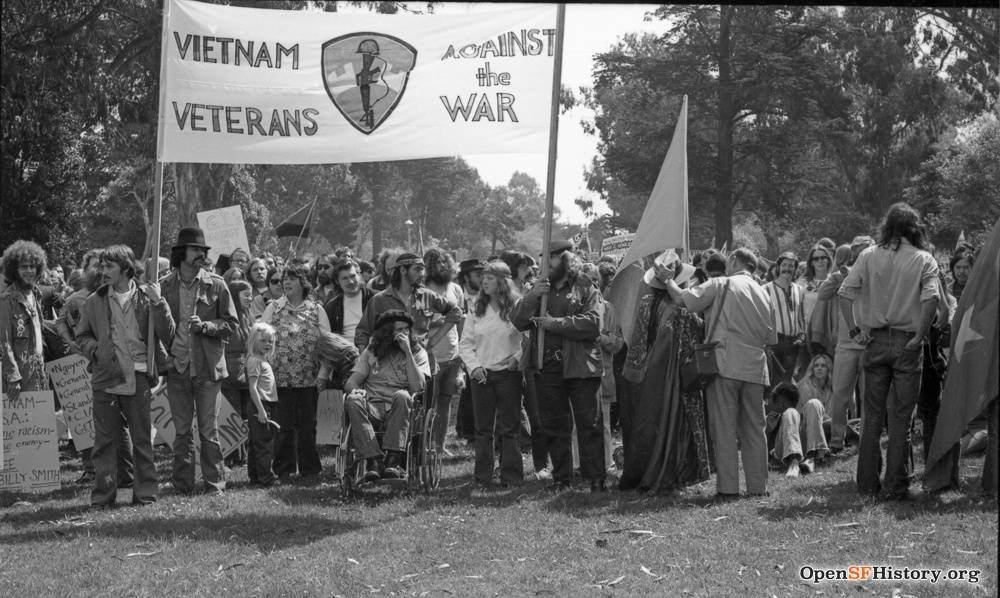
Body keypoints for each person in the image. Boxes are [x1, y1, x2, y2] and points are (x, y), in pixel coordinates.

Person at [839, 202, 940, 500]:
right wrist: (920, 335)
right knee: (901, 419)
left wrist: (856, 330)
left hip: (874, 341)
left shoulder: (869, 255)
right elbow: (932, 299)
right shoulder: (925, 259)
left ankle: (867, 485)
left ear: (888, 226)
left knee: (871, 418)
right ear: (915, 228)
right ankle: (896, 486)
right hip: (908, 342)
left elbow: (845, 293)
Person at [661, 247, 777, 498]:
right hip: (756, 365)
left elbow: (684, 300)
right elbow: (771, 336)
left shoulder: (721, 283)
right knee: (755, 429)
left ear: (733, 260)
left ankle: (728, 488)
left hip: (725, 363)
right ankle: (758, 487)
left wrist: (667, 279)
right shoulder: (765, 292)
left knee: (723, 428)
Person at [76, 245, 173, 507]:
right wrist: (96, 350)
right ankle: (103, 497)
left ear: (126, 268)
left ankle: (145, 495)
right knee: (105, 442)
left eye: (109, 266)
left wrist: (159, 302)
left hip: (139, 377)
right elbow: (81, 336)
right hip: (105, 378)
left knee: (142, 439)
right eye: (102, 266)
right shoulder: (94, 301)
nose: (103, 271)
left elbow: (168, 334)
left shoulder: (147, 297)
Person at [511, 241, 606, 492]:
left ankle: (596, 478)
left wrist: (555, 324)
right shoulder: (538, 288)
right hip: (547, 365)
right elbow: (518, 320)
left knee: (590, 423)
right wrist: (533, 296)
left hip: (581, 365)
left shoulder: (585, 285)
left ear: (564, 258)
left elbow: (594, 323)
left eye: (550, 259)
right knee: (554, 425)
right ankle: (562, 478)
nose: (546, 264)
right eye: (543, 259)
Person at [620, 254, 710, 492]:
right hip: (681, 374)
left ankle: (661, 472)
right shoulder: (685, 304)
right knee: (678, 423)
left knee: (655, 423)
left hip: (656, 376)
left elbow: (638, 343)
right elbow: (701, 331)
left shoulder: (650, 302)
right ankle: (675, 474)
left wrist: (636, 373)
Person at [161, 227, 239, 495]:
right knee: (181, 432)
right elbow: (155, 330)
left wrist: (206, 326)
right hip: (177, 367)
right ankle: (182, 485)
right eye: (195, 250)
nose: (201, 255)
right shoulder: (163, 286)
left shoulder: (216, 283)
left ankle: (215, 484)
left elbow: (231, 325)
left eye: (203, 251)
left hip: (207, 368)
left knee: (209, 431)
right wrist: (164, 362)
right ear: (181, 253)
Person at [261, 263, 331, 481]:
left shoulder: (316, 310)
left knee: (307, 426)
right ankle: (284, 468)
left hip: (309, 379)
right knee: (283, 426)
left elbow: (329, 346)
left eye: (292, 278)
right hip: (279, 379)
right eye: (284, 279)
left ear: (304, 282)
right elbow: (261, 340)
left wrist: (323, 374)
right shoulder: (273, 307)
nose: (286, 282)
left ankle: (310, 468)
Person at [459, 262, 524, 487]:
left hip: (509, 374)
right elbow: (465, 343)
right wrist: (474, 367)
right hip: (482, 375)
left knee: (509, 428)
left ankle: (512, 476)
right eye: (483, 277)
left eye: (490, 278)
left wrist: (517, 358)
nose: (484, 282)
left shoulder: (516, 306)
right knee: (483, 429)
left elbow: (528, 337)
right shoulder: (477, 307)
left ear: (502, 282)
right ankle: (483, 477)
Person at [345, 310, 430, 482]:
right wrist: (356, 390)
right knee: (352, 399)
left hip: (403, 410)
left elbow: (418, 387)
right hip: (373, 408)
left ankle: (393, 461)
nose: (404, 333)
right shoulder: (371, 352)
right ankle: (373, 461)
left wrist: (407, 353)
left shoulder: (418, 353)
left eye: (407, 329)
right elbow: (350, 383)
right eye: (399, 329)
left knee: (403, 395)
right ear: (387, 332)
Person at [819, 235, 874, 453]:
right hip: (845, 344)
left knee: (868, 396)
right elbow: (822, 295)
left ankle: (866, 438)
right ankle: (836, 439)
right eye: (858, 249)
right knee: (841, 393)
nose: (862, 253)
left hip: (870, 342)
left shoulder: (877, 273)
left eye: (866, 249)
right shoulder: (841, 274)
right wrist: (837, 279)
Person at [354, 253, 463, 354]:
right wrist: (366, 361)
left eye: (423, 270)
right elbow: (362, 333)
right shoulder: (379, 300)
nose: (422, 274)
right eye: (417, 269)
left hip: (423, 364)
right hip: (391, 368)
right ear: (403, 270)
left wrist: (433, 341)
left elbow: (455, 312)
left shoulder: (428, 295)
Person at [422, 248, 466, 454]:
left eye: (444, 262)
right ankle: (425, 444)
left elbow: (460, 321)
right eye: (436, 263)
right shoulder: (421, 290)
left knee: (446, 400)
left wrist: (461, 351)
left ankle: (440, 446)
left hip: (452, 355)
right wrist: (438, 323)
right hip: (429, 355)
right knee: (426, 403)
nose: (442, 266)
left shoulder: (456, 289)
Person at [1, 240, 49, 401]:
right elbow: (4, 342)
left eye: (32, 266)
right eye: (23, 267)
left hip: (39, 370)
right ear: (14, 270)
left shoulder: (36, 294)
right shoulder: (7, 300)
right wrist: (13, 376)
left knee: (42, 423)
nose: (29, 271)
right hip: (20, 376)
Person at [244, 322, 281, 487]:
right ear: (254, 341)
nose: (267, 344)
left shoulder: (262, 361)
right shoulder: (254, 361)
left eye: (270, 342)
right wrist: (261, 410)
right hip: (260, 405)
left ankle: (256, 476)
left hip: (265, 405)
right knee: (264, 443)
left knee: (257, 442)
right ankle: (266, 478)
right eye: (263, 341)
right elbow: (252, 388)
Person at [221, 279, 253, 468]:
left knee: (245, 415)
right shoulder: (229, 318)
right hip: (231, 374)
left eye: (251, 294)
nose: (250, 298)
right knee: (232, 415)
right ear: (234, 296)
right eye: (246, 295)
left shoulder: (247, 316)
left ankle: (242, 455)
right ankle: (231, 455)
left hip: (247, 373)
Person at [762, 251, 804, 384]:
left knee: (787, 381)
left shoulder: (799, 289)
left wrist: (802, 336)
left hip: (793, 342)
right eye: (784, 265)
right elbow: (762, 317)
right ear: (778, 267)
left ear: (795, 269)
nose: (787, 269)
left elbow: (802, 316)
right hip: (775, 341)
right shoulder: (766, 289)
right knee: (773, 381)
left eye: (791, 266)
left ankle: (786, 406)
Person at [765, 382, 825, 477]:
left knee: (814, 403)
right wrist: (769, 430)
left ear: (793, 402)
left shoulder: (799, 416)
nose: (780, 406)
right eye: (778, 403)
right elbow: (762, 451)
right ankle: (793, 463)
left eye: (784, 403)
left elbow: (824, 426)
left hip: (805, 449)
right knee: (790, 412)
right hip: (782, 452)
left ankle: (811, 459)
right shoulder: (771, 418)